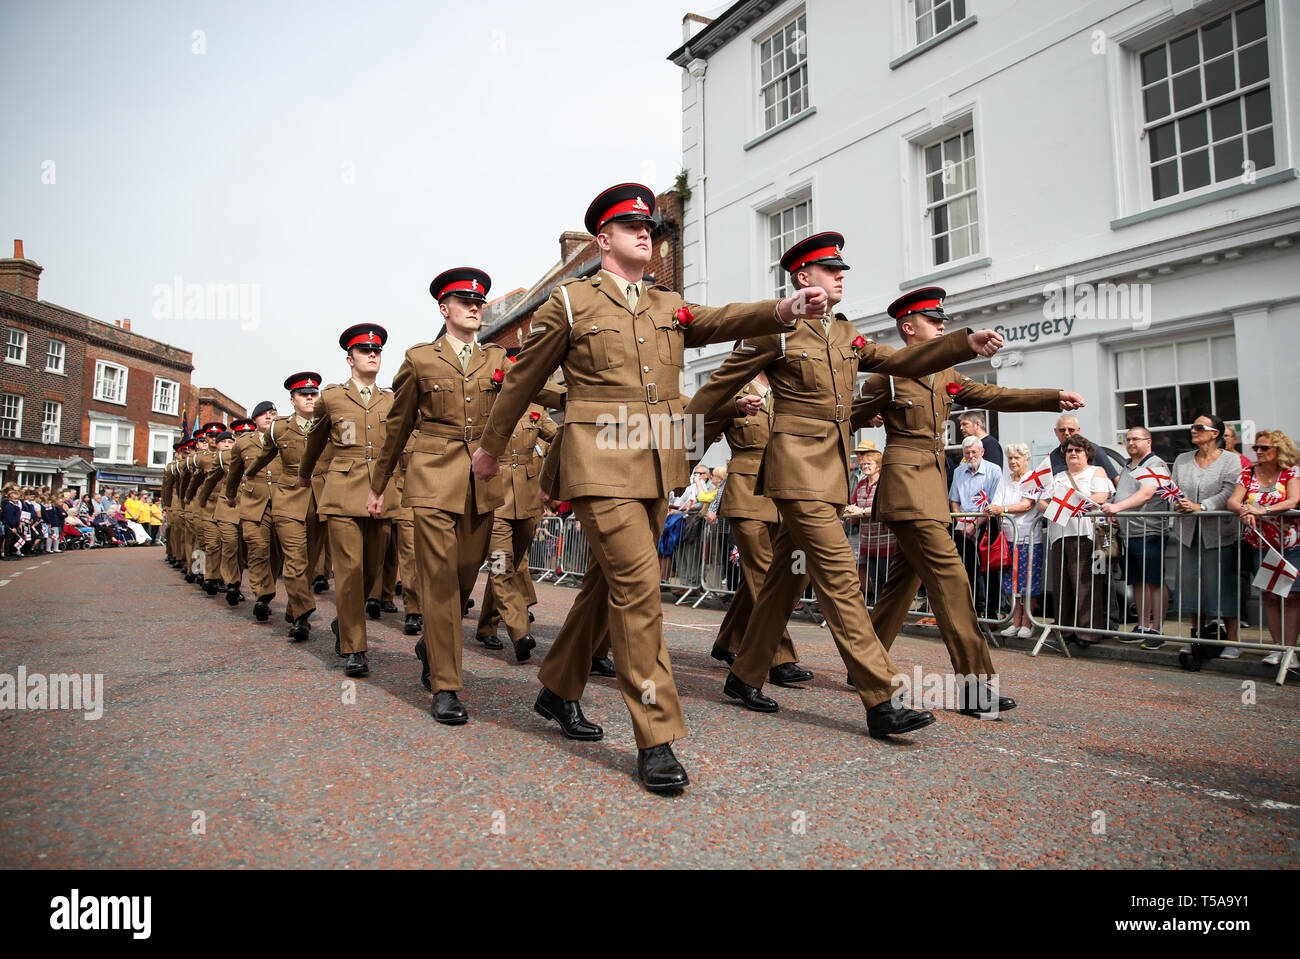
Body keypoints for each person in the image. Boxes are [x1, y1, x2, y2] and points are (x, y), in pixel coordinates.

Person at [471, 184, 823, 792]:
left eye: (653, 229)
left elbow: (718, 320)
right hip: (599, 462)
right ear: (603, 239)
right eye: (634, 227)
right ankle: (656, 737)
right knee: (638, 590)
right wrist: (489, 449)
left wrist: (783, 311)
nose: (648, 235)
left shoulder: (668, 304)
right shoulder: (571, 305)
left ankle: (557, 687)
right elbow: (523, 381)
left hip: (656, 464)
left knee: (610, 585)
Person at [686, 239, 1009, 736]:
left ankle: (745, 673)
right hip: (795, 472)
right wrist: (669, 449)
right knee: (840, 580)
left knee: (784, 579)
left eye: (841, 269)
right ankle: (881, 700)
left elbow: (901, 362)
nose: (840, 276)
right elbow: (716, 390)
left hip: (831, 474)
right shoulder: (776, 329)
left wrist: (962, 344)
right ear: (801, 278)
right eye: (829, 269)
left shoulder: (846, 333)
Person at [855, 288, 1076, 711]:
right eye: (933, 321)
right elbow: (849, 414)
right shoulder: (887, 375)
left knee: (902, 586)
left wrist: (1050, 399)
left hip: (933, 491)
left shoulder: (945, 372)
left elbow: (993, 397)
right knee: (953, 584)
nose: (942, 325)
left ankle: (862, 663)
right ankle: (976, 689)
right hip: (905, 490)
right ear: (908, 328)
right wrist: (872, 413)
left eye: (942, 320)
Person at [368, 266, 513, 723]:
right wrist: (378, 485)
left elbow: (533, 389)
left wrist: (581, 397)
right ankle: (447, 688)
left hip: (482, 487)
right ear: (444, 309)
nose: (475, 307)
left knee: (463, 579)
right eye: (465, 301)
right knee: (440, 583)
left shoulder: (497, 359)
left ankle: (433, 641)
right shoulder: (420, 359)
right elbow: (397, 428)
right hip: (431, 481)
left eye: (479, 302)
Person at [300, 323, 403, 678]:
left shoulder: (392, 399)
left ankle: (346, 622)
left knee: (371, 572)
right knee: (349, 571)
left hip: (381, 495)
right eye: (364, 351)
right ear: (350, 358)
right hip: (343, 493)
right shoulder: (331, 397)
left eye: (377, 351)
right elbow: (315, 441)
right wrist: (305, 473)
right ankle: (355, 648)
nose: (372, 354)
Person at [698, 370, 812, 686]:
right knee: (763, 575)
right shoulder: (735, 388)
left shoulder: (790, 386)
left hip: (782, 494)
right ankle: (779, 657)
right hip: (746, 494)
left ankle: (728, 642)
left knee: (779, 574)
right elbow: (699, 425)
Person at [473, 369, 560, 662]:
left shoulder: (535, 409)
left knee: (509, 569)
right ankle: (519, 631)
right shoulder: (485, 406)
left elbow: (558, 437)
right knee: (500, 566)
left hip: (526, 505)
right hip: (494, 500)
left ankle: (486, 626)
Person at [243, 373, 325, 640]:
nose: (310, 398)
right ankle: (302, 615)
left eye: (314, 393)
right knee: (294, 560)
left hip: (320, 499)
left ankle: (294, 606)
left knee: (310, 562)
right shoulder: (279, 428)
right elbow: (265, 453)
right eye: (304, 394)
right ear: (292, 400)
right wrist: (251, 472)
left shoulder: (329, 423)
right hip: (288, 498)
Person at [1170, 414, 1242, 667]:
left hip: (1218, 532)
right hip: (1188, 532)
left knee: (1221, 583)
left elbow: (1229, 491)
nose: (1193, 430)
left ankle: (1233, 640)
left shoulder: (1230, 460)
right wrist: (1177, 503)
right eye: (1192, 427)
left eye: (1199, 427)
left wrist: (1202, 506)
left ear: (1215, 433)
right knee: (1190, 584)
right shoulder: (1182, 459)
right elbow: (1174, 488)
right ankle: (1197, 636)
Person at [1228, 429, 1299, 667]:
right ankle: (1277, 647)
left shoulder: (1291, 472)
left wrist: (1263, 510)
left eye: (1264, 448)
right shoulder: (1248, 472)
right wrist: (1245, 510)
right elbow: (1233, 500)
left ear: (1279, 449)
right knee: (1269, 595)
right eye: (1256, 448)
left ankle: (1290, 650)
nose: (1258, 452)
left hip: (1291, 542)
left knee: (1290, 596)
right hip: (1260, 542)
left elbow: (1293, 500)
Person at [1041, 434, 1115, 646]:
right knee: (1062, 584)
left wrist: (1072, 508)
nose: (1073, 454)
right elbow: (1042, 503)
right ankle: (1065, 629)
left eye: (1077, 450)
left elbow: (1100, 497)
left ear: (1087, 454)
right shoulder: (1058, 477)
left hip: (1086, 534)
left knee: (1086, 584)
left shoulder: (1096, 471)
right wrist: (1059, 510)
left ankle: (1088, 632)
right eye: (1069, 450)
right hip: (1060, 535)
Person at [1101, 427, 1172, 644]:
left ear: (1148, 441)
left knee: (1154, 581)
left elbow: (1146, 493)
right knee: (1138, 581)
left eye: (1135, 439)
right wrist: (1115, 510)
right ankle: (1142, 624)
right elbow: (1122, 493)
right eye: (1128, 439)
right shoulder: (1127, 466)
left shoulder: (1155, 464)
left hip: (1149, 530)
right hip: (1129, 532)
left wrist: (1118, 508)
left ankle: (1156, 629)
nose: (1131, 443)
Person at [224, 400, 282, 622]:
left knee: (275, 553)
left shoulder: (285, 436)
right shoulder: (243, 442)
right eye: (263, 414)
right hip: (252, 503)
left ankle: (267, 588)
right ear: (255, 419)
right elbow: (234, 473)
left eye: (272, 413)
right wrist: (230, 495)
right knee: (258, 548)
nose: (269, 417)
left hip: (281, 501)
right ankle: (262, 596)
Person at [984, 443, 1043, 639]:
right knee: (1011, 582)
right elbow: (996, 501)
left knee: (1028, 581)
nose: (1013, 461)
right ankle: (1015, 621)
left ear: (1026, 459)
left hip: (1028, 536)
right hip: (1008, 537)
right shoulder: (1005, 479)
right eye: (1010, 458)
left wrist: (1003, 509)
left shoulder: (1033, 478)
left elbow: (1026, 504)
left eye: (1017, 458)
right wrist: (996, 508)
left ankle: (1027, 622)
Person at [948, 434, 1004, 615]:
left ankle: (992, 611)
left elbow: (994, 502)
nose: (971, 456)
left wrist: (975, 524)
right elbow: (954, 500)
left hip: (987, 525)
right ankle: (971, 610)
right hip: (963, 527)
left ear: (982, 452)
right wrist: (961, 522)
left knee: (989, 570)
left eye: (974, 452)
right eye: (967, 453)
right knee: (967, 570)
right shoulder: (958, 472)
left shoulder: (994, 471)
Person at [844, 447, 896, 606]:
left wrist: (861, 511)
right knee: (875, 580)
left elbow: (885, 507)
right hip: (868, 541)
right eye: (863, 464)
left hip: (885, 542)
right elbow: (854, 504)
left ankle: (889, 613)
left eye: (869, 464)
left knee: (887, 580)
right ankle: (880, 612)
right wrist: (851, 512)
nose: (865, 466)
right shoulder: (860, 484)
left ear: (878, 465)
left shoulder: (886, 484)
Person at [1050, 414, 1122, 484]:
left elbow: (1115, 480)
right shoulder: (1052, 457)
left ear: (1078, 430)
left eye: (1071, 429)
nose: (1066, 433)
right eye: (1062, 430)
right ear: (1056, 432)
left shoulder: (1093, 450)